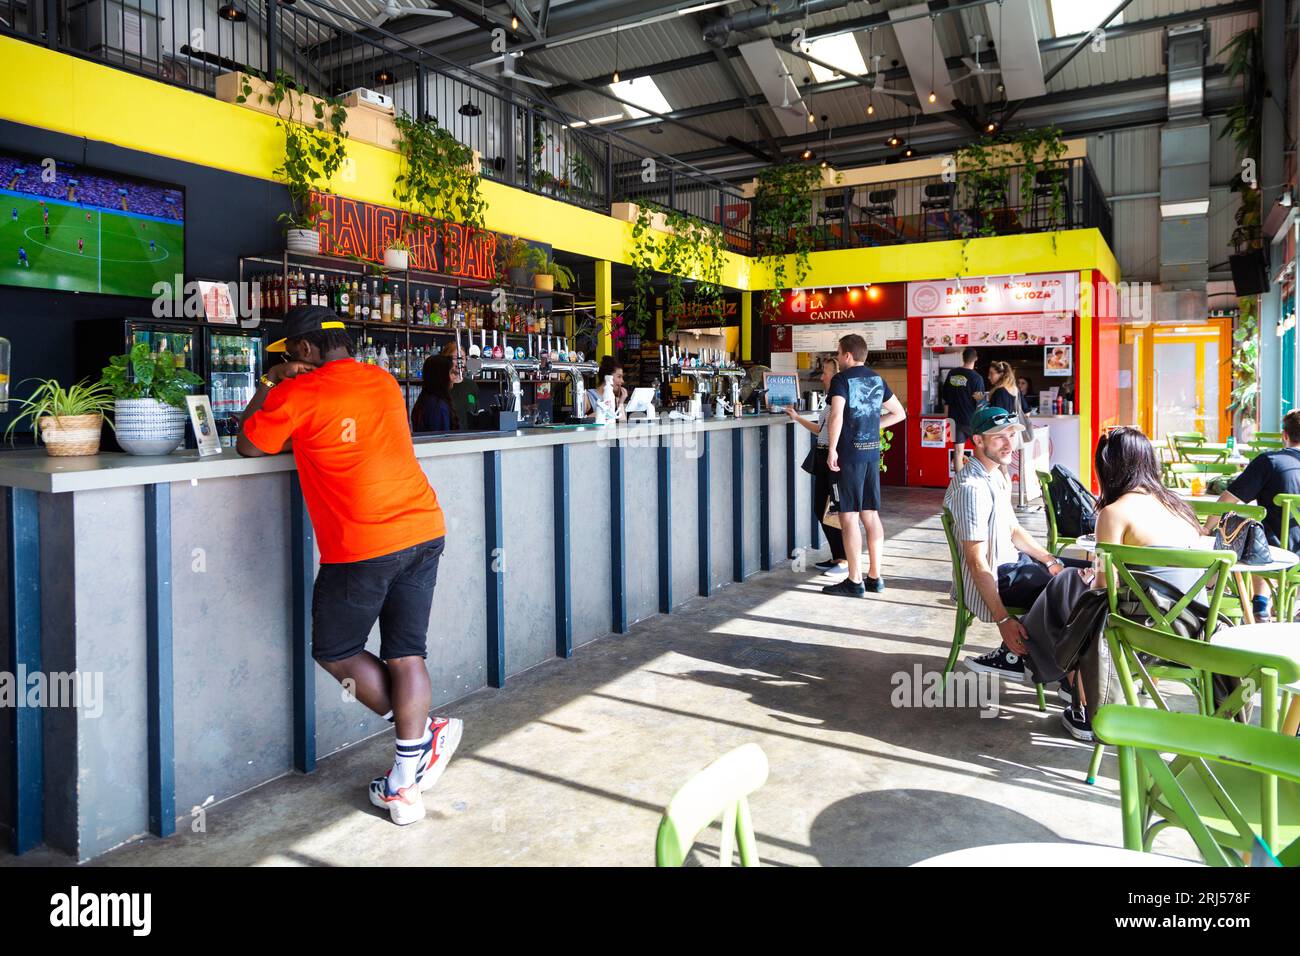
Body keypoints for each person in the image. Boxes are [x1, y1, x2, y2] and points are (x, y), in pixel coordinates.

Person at [236, 305, 461, 826]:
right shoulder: (382, 380)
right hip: (423, 528)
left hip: (363, 544)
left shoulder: (297, 391)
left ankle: (424, 739)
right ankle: (406, 780)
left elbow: (249, 443)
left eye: (290, 354)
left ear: (307, 350)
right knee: (406, 654)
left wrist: (270, 382)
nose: (289, 363)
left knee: (336, 649)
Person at [1016, 427, 1206, 740]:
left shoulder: (1113, 513)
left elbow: (1103, 587)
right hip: (1188, 626)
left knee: (1068, 587)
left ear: (1108, 468)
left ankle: (1079, 696)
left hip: (1141, 627)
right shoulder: (1180, 508)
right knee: (1069, 585)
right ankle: (1066, 681)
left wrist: (1089, 577)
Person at [945, 406, 1068, 687]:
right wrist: (1003, 621)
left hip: (1013, 565)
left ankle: (1059, 670)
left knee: (1081, 576)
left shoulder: (996, 475)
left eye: (1011, 434)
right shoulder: (971, 487)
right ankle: (1066, 678)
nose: (1009, 443)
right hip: (997, 577)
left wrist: (1050, 560)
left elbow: (1014, 529)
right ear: (978, 441)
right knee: (1076, 593)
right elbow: (977, 562)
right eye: (999, 436)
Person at [822, 334, 907, 596]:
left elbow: (836, 415)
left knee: (848, 517)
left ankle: (855, 580)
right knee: (870, 515)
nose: (837, 357)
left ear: (847, 354)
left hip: (848, 456)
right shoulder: (877, 379)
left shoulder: (841, 379)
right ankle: (875, 578)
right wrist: (872, 429)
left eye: (838, 353)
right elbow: (899, 413)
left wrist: (833, 449)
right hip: (871, 455)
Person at [1213, 409, 1300, 621]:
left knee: (1256, 532)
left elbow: (1228, 500)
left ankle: (1259, 605)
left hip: (1277, 554)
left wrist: (1207, 528)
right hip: (1294, 551)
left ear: (1284, 435)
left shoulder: (1270, 462)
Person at [784, 357, 846, 573]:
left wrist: (832, 451)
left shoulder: (839, 400)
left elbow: (833, 431)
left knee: (830, 510)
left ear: (835, 374)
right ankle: (838, 556)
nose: (822, 376)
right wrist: (797, 417)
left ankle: (843, 560)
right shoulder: (831, 401)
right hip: (823, 458)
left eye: (826, 372)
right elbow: (821, 431)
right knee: (822, 509)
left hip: (832, 460)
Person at [941, 347, 986, 478]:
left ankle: (959, 484)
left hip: (953, 419)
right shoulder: (976, 378)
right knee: (980, 450)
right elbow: (980, 402)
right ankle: (978, 480)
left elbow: (945, 395)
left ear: (963, 357)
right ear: (976, 359)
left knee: (958, 451)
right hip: (971, 420)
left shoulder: (952, 373)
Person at [410, 353, 460, 432]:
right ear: (441, 376)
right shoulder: (439, 406)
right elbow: (443, 440)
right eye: (451, 373)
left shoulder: (424, 400)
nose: (453, 377)